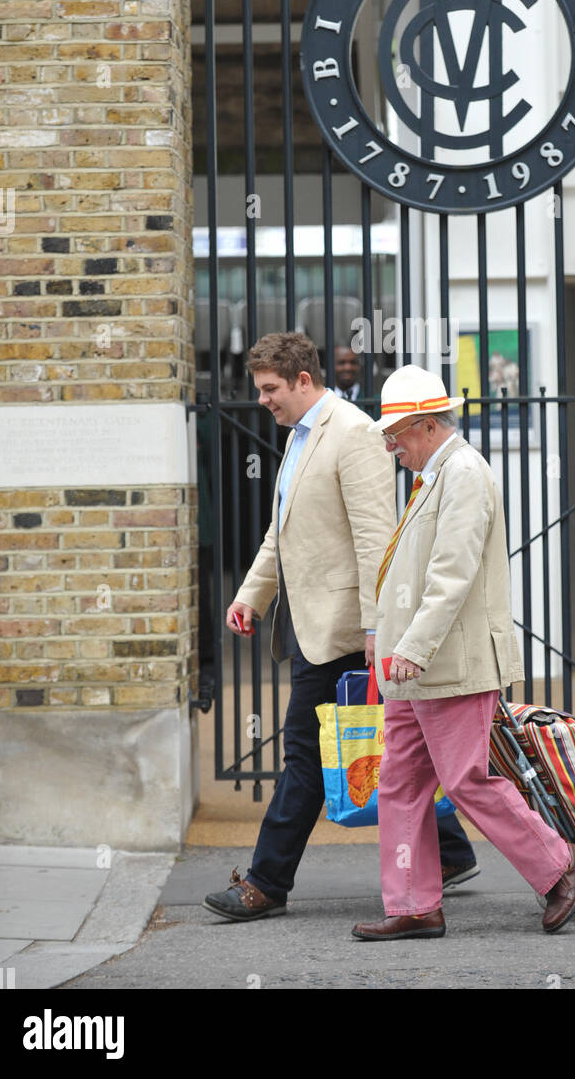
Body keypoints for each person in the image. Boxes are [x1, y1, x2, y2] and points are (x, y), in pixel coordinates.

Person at [203, 334, 476, 923]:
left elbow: (378, 539)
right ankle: (451, 852)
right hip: (312, 627)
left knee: (306, 751)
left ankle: (265, 883)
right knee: (391, 750)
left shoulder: (351, 432)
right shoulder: (302, 437)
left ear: (304, 380)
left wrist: (380, 630)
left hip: (351, 632)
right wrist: (252, 595)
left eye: (272, 390)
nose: (264, 402)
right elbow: (283, 531)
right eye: (260, 391)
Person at [352, 365, 575, 941]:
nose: (391, 445)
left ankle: (559, 864)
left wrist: (410, 645)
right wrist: (389, 639)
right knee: (401, 784)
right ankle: (413, 905)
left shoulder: (462, 473)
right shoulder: (439, 472)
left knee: (463, 779)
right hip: (417, 665)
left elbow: (451, 576)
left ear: (428, 425)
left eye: (397, 433)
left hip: (445, 663)